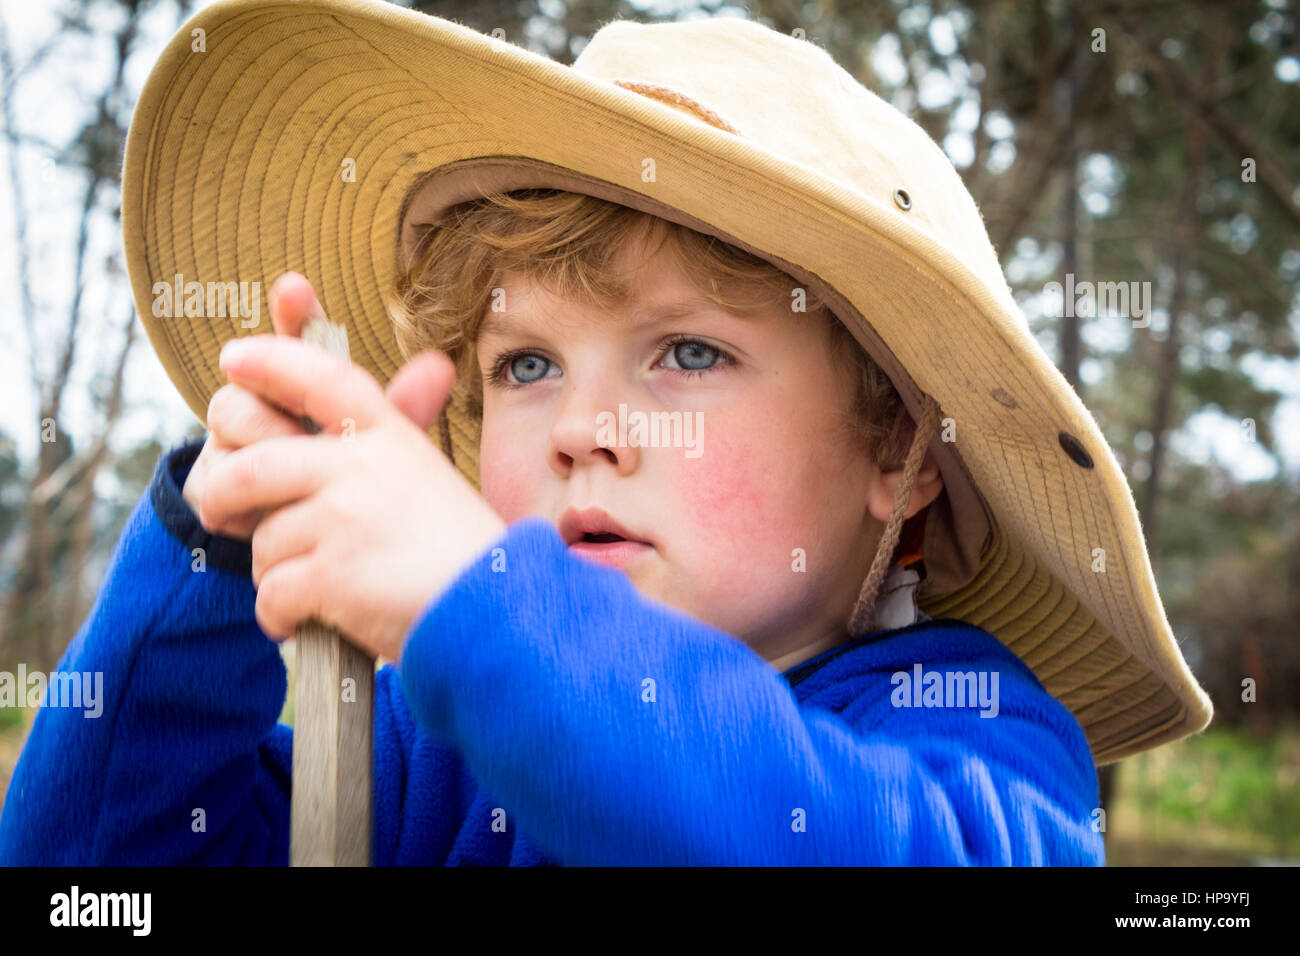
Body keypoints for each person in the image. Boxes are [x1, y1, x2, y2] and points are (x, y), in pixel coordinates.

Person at [0, 1, 1212, 865]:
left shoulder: (972, 742)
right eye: (525, 363)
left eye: (689, 352)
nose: (585, 426)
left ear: (897, 454)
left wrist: (488, 612)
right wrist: (214, 547)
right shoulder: (426, 751)